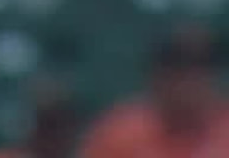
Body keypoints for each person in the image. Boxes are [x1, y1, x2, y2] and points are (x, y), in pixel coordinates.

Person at [80, 25, 229, 157]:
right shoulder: (119, 134)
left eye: (202, 66)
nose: (190, 80)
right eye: (178, 66)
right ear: (156, 74)